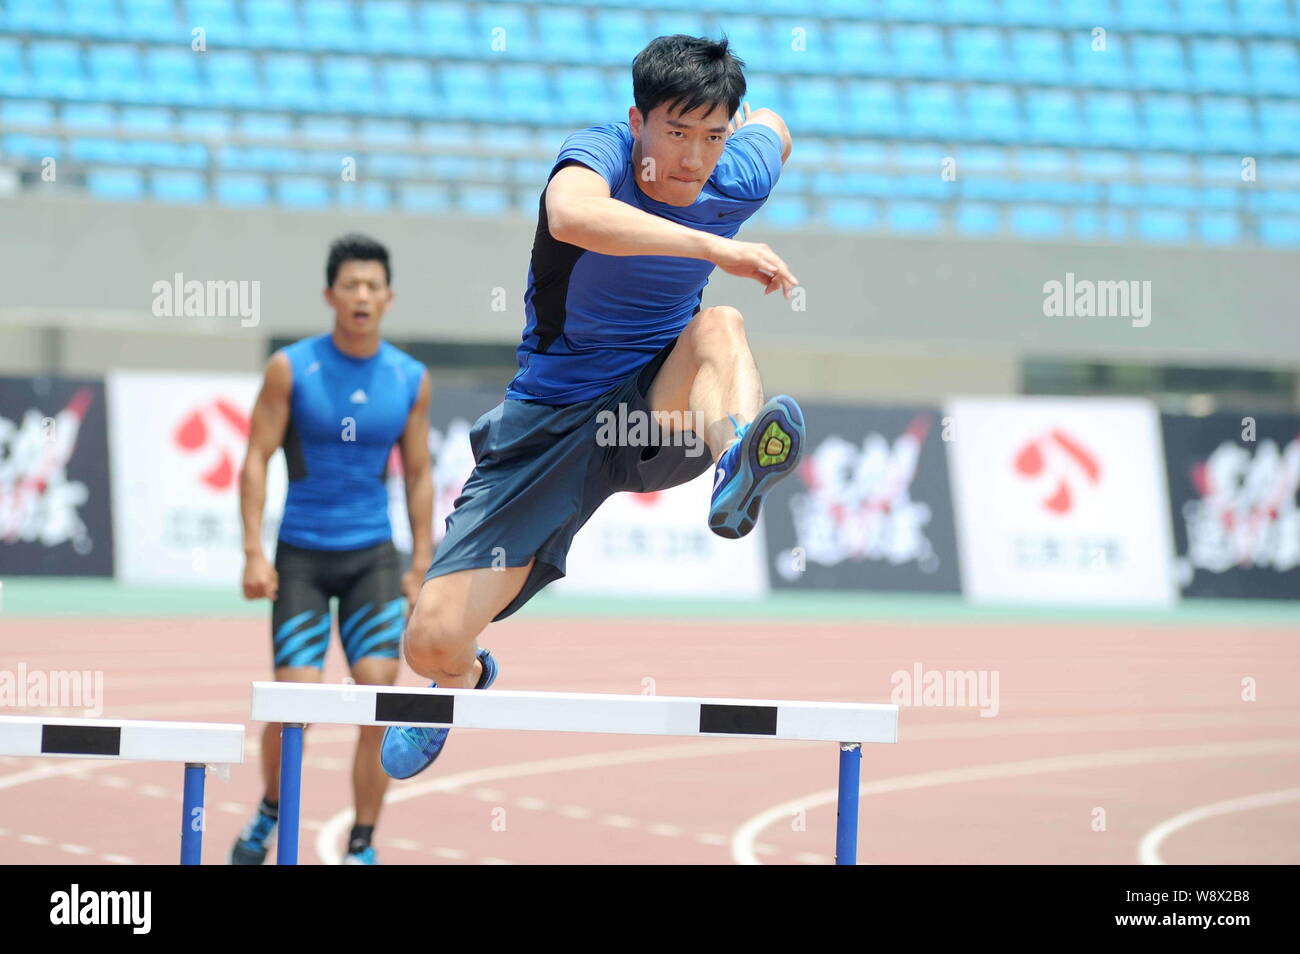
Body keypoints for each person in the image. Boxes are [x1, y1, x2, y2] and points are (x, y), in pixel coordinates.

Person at [381, 35, 804, 780]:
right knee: (429, 639)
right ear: (636, 120)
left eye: (712, 137)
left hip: (655, 409)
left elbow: (775, 126)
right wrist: (716, 249)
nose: (693, 159)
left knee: (721, 327)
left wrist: (748, 128)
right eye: (676, 134)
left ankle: (738, 460)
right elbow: (573, 216)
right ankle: (464, 676)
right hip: (551, 423)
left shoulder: (737, 167)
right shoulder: (600, 152)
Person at [235, 234, 432, 863]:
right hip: (302, 558)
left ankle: (363, 840)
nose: (363, 296)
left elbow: (422, 475)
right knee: (293, 704)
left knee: (379, 699)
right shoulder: (291, 369)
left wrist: (422, 560)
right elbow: (256, 458)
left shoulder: (408, 378)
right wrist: (252, 552)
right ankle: (270, 809)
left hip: (373, 558)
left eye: (374, 286)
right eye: (351, 285)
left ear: (389, 298)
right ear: (330, 295)